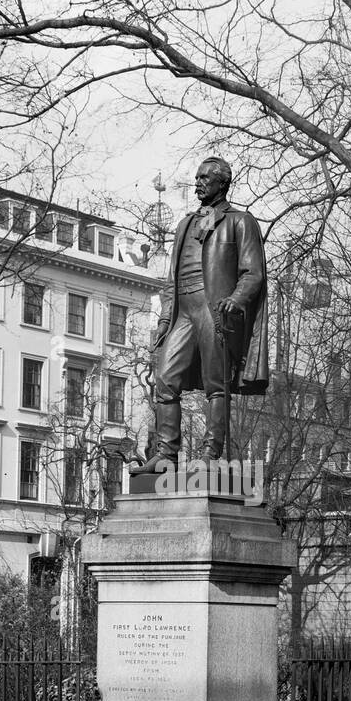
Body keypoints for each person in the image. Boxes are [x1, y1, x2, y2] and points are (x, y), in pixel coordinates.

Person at [131, 155, 268, 473]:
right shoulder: (185, 225)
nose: (198, 183)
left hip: (213, 307)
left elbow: (253, 273)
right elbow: (171, 281)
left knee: (215, 383)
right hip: (183, 311)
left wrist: (236, 299)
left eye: (205, 178)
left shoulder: (240, 221)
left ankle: (211, 451)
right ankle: (167, 453)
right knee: (165, 379)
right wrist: (166, 317)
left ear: (223, 182)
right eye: (197, 178)